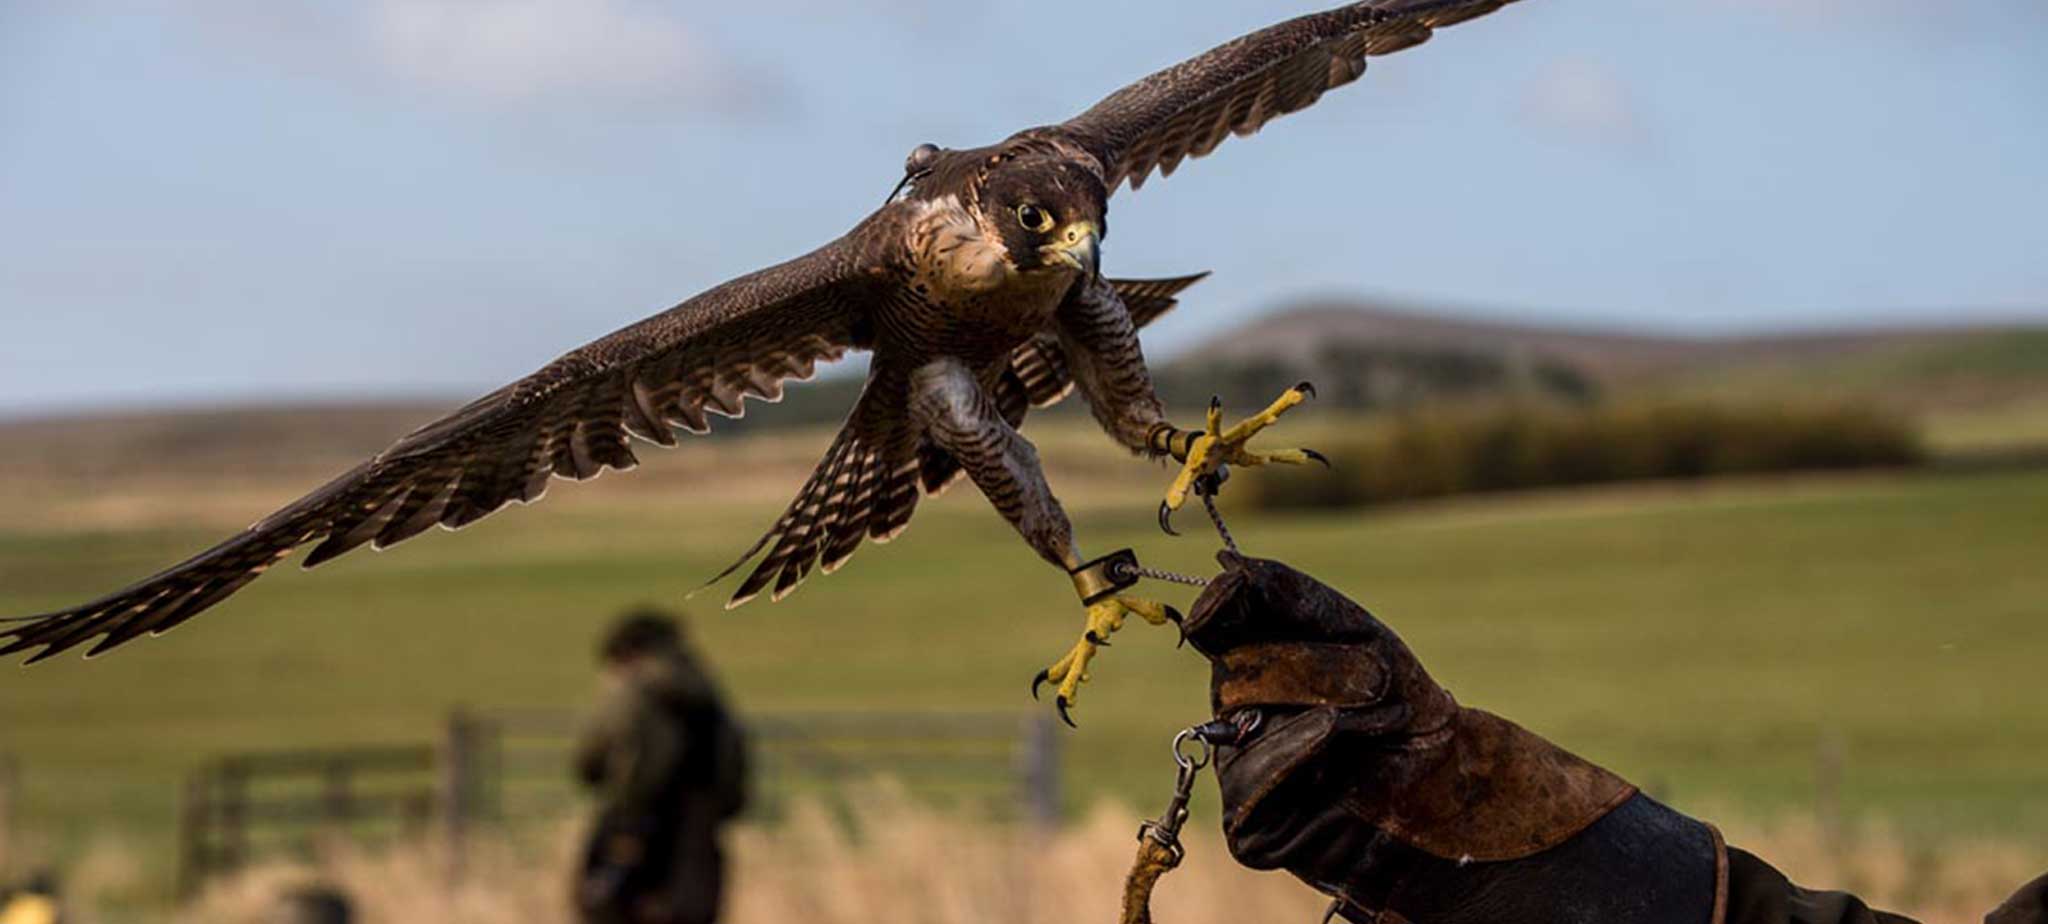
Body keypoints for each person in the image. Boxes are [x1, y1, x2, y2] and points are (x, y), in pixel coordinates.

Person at [573, 608, 748, 924]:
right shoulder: (709, 692)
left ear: (627, 652)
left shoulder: (630, 690)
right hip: (698, 841)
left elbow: (590, 761)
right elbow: (734, 776)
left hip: (631, 833)